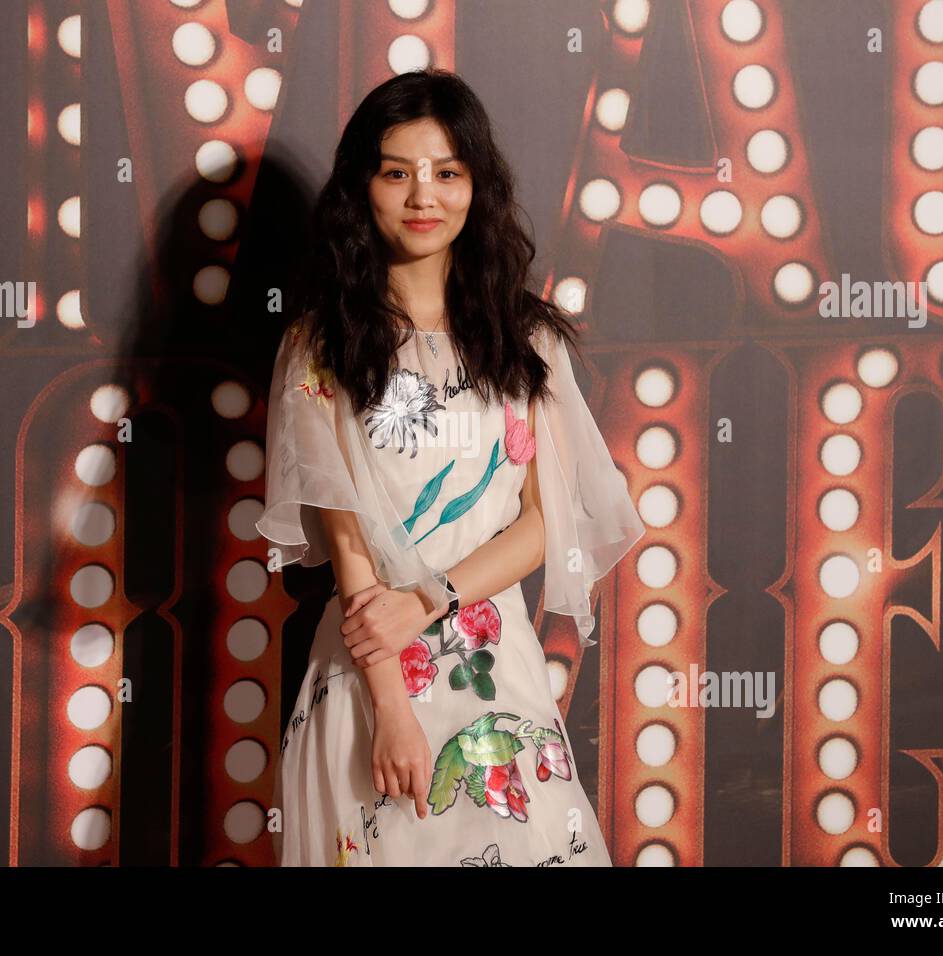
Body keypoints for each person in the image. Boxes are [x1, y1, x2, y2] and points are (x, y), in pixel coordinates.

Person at [255, 68, 645, 866]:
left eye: (447, 172)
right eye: (397, 172)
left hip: (496, 668)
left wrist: (431, 598)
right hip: (371, 677)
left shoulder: (524, 339)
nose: (422, 195)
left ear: (477, 186)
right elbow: (349, 539)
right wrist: (392, 707)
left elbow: (546, 522)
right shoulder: (320, 345)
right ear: (364, 187)